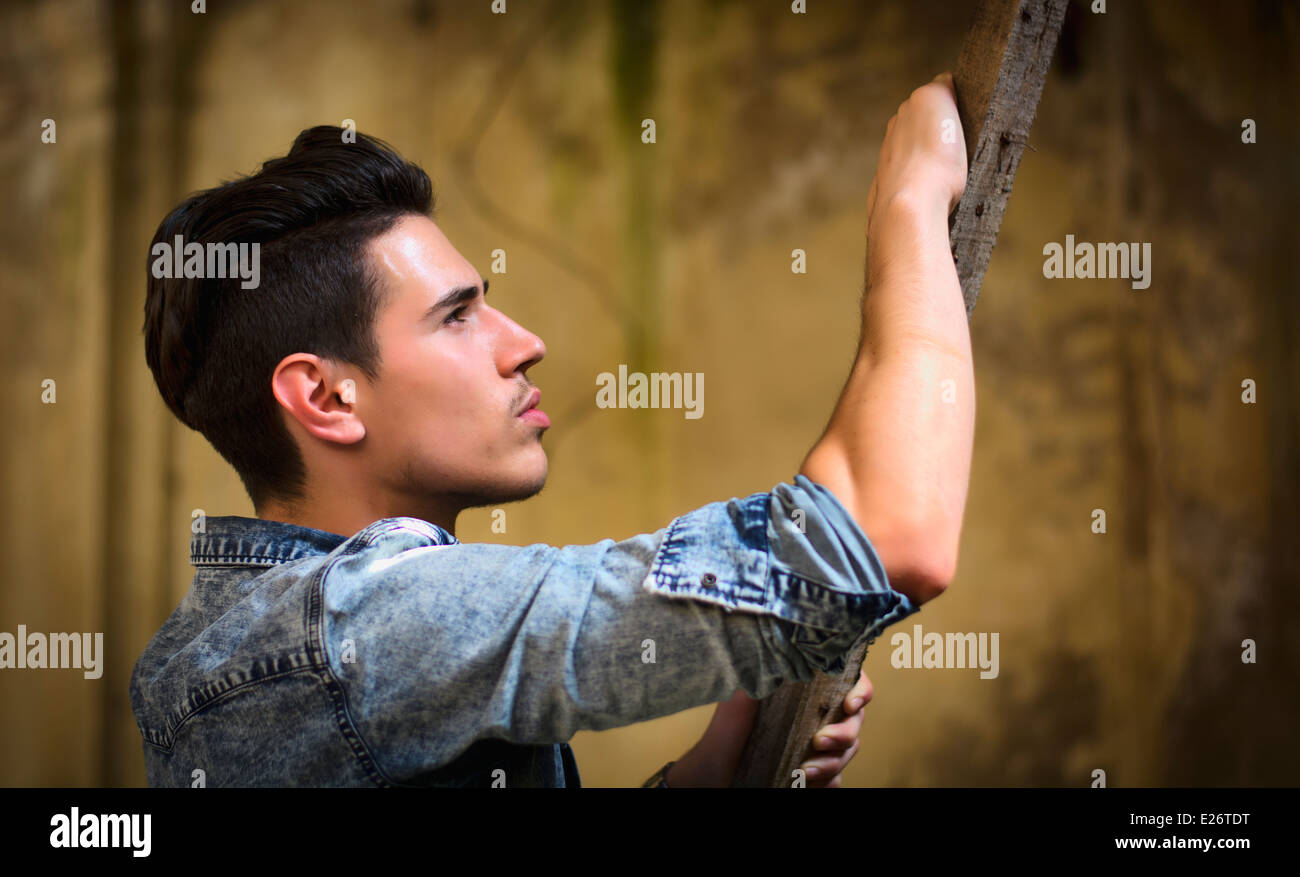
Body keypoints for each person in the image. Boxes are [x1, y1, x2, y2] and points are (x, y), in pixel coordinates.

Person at [130, 73, 973, 788]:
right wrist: (909, 203)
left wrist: (718, 763)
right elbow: (890, 536)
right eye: (458, 316)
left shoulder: (273, 634)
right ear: (327, 399)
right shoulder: (362, 623)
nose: (525, 344)